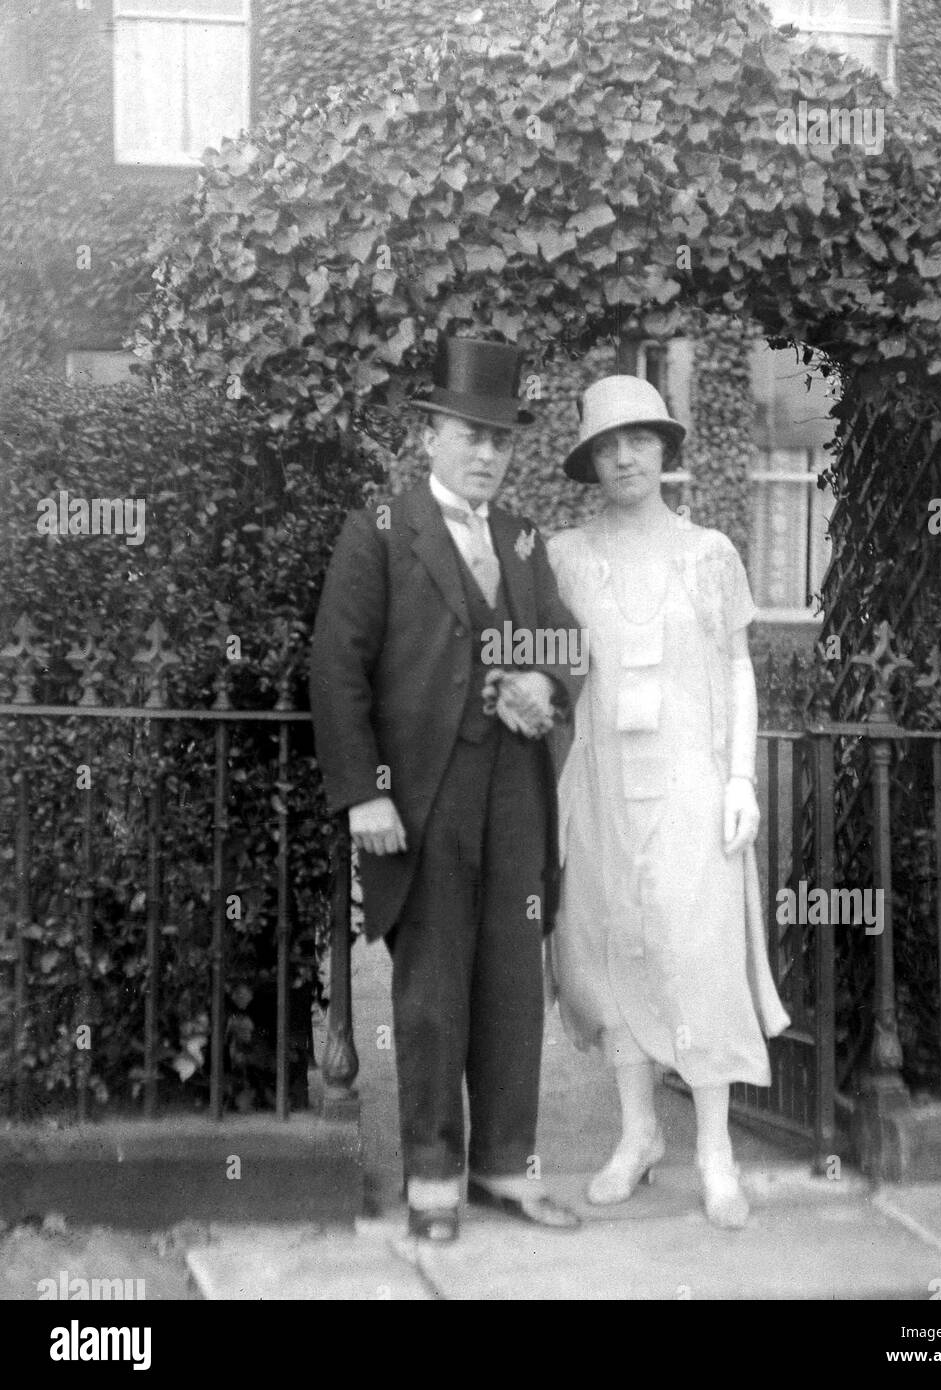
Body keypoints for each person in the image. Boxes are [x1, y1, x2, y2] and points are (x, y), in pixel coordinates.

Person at [310, 336, 584, 1242]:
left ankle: (507, 1167)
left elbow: (561, 642)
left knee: (512, 986)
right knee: (430, 994)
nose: (485, 454)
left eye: (499, 440)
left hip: (516, 797)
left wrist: (545, 682)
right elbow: (336, 670)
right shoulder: (379, 533)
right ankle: (433, 1180)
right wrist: (364, 795)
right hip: (419, 799)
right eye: (468, 434)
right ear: (427, 435)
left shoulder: (521, 538)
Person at [546, 374, 790, 1228]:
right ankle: (637, 1134)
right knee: (615, 954)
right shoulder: (565, 559)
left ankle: (715, 1149)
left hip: (690, 783)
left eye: (639, 440)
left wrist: (739, 780)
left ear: (663, 450)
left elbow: (735, 665)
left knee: (697, 953)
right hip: (601, 784)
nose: (624, 457)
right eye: (608, 445)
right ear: (589, 461)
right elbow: (544, 673)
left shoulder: (709, 552)